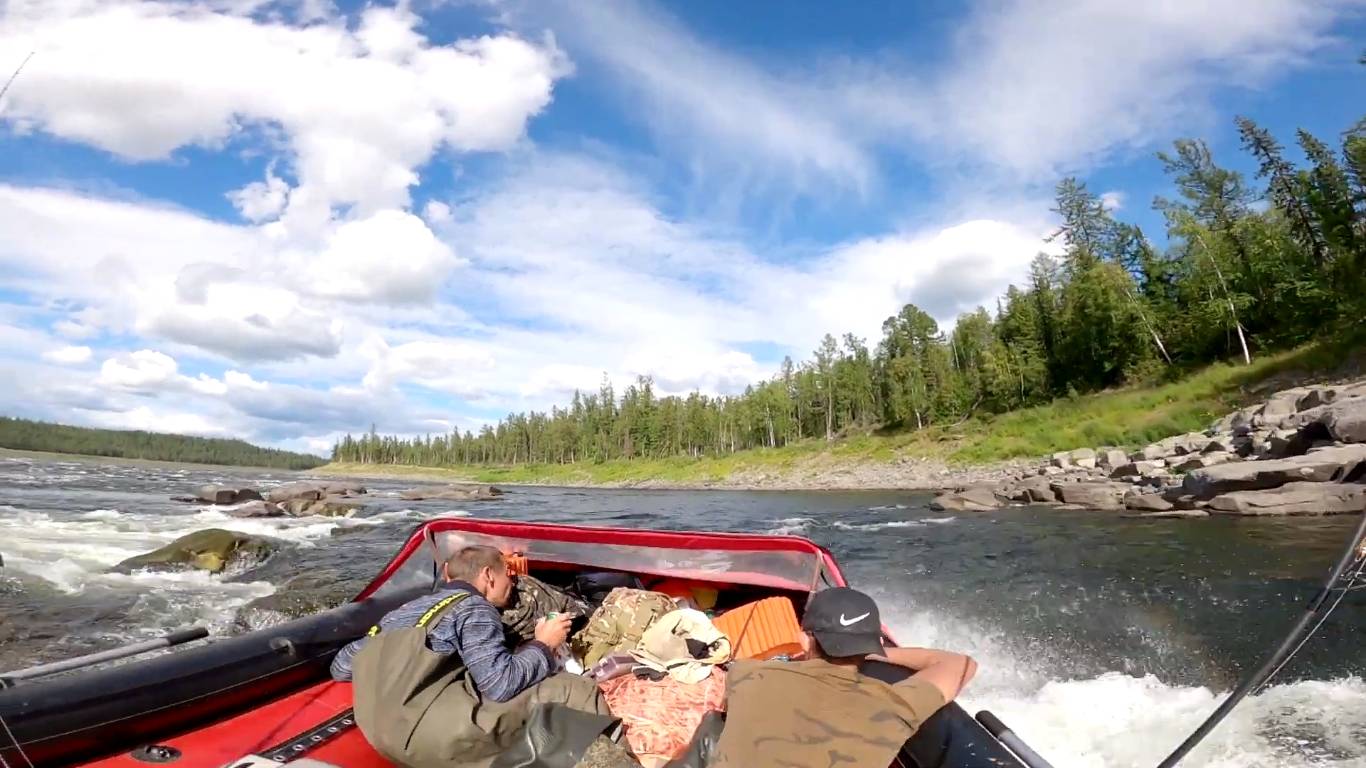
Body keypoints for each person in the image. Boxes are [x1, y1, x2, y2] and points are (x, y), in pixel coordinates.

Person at [332, 545, 610, 768]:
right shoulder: (475, 608)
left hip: (379, 737)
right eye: (507, 577)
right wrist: (543, 644)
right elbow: (501, 685)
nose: (511, 585)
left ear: (448, 576)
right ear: (489, 576)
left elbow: (342, 666)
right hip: (430, 742)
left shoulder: (403, 611)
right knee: (574, 688)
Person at [705, 587, 977, 768]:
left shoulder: (746, 675)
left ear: (803, 640)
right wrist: (874, 654)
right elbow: (961, 663)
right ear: (871, 645)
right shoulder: (895, 706)